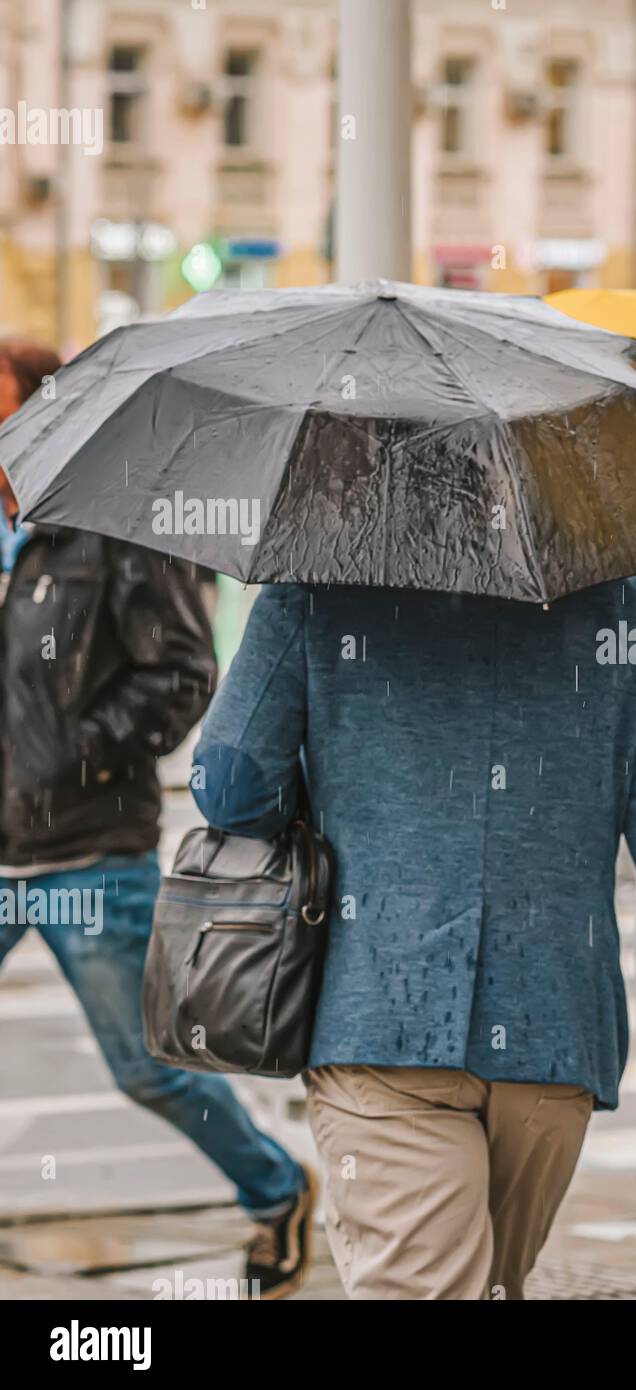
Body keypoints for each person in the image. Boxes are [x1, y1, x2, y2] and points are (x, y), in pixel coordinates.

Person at [190, 578, 636, 1300]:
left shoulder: (316, 596)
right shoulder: (626, 610)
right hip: (549, 1038)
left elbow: (233, 791)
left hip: (381, 1023)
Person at [0, 339, 316, 1300]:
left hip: (82, 852)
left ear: (37, 414)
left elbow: (183, 674)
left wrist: (71, 757)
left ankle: (273, 1189)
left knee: (149, 1068)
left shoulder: (117, 527)